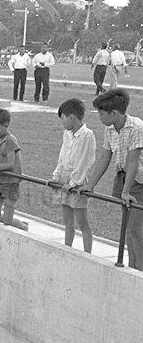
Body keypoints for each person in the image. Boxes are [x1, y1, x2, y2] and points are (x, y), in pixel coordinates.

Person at [84, 89, 143, 269]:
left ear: (114, 113)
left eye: (101, 113)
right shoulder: (110, 129)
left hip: (139, 181)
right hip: (123, 177)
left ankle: (138, 272)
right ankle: (132, 266)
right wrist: (91, 185)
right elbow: (105, 157)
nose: (99, 117)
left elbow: (134, 162)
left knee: (135, 230)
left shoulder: (136, 127)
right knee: (128, 229)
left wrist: (126, 191)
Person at [52, 98, 96, 253]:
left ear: (71, 117)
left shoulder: (87, 135)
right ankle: (67, 250)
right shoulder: (67, 133)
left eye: (63, 119)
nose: (62, 123)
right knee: (67, 221)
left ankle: (87, 254)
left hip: (77, 182)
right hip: (65, 178)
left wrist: (72, 183)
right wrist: (56, 176)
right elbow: (62, 155)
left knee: (82, 222)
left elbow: (84, 162)